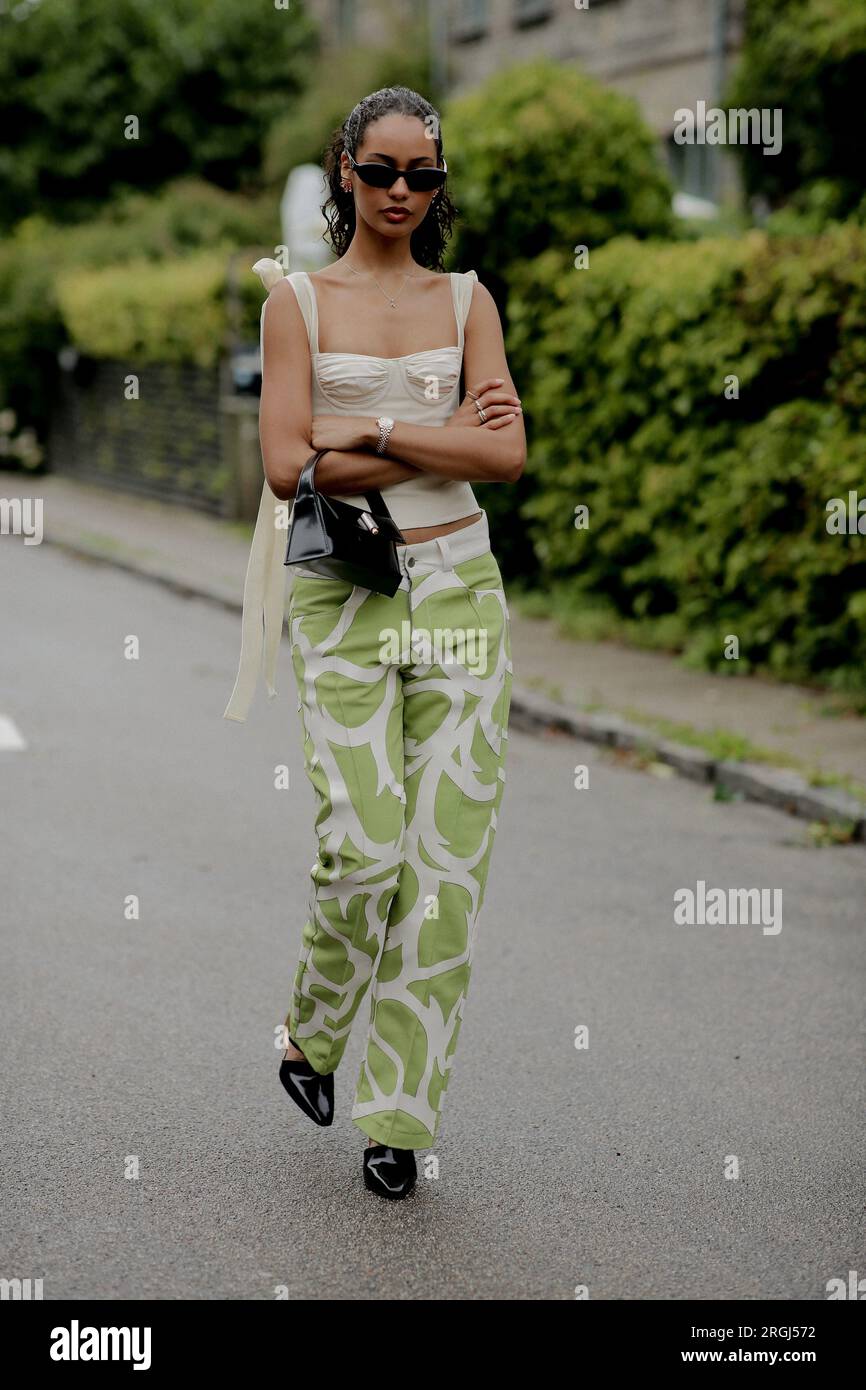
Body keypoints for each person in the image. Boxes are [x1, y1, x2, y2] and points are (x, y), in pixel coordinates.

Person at [224, 86, 526, 1200]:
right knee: (364, 844)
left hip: (459, 591)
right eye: (383, 171)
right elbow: (286, 466)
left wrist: (370, 429)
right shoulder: (294, 303)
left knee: (444, 865)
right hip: (346, 592)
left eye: (425, 176)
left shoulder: (466, 302)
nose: (403, 192)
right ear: (345, 168)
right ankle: (310, 1028)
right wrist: (438, 439)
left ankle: (399, 1113)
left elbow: (506, 461)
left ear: (439, 187)